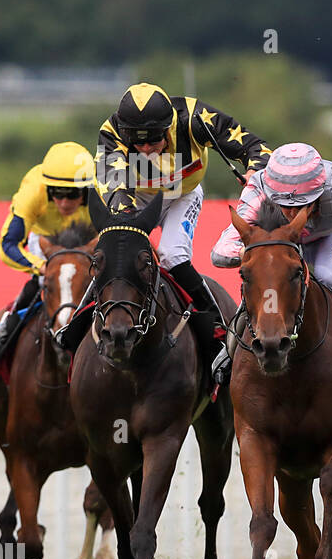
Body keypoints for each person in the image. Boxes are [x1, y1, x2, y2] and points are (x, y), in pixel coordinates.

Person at [70, 82, 271, 360]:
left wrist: (254, 170)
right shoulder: (111, 132)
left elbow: (257, 147)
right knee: (118, 254)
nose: (146, 148)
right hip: (135, 198)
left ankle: (215, 323)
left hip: (182, 195)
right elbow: (118, 192)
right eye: (137, 143)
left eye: (154, 140)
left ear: (169, 128)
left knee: (172, 255)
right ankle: (76, 325)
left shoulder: (195, 118)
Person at [211, 142, 332, 387]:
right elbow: (219, 252)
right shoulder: (259, 188)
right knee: (267, 274)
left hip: (329, 235)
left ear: (319, 192)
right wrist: (257, 257)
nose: (293, 215)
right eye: (286, 206)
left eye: (302, 206)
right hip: (280, 243)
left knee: (328, 273)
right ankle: (231, 345)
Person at [0, 142, 96, 360]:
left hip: (88, 240)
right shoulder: (33, 191)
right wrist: (44, 267)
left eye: (72, 194)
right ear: (47, 188)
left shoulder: (102, 190)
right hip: (45, 239)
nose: (64, 203)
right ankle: (8, 326)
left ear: (86, 189)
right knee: (39, 284)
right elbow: (7, 245)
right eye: (57, 194)